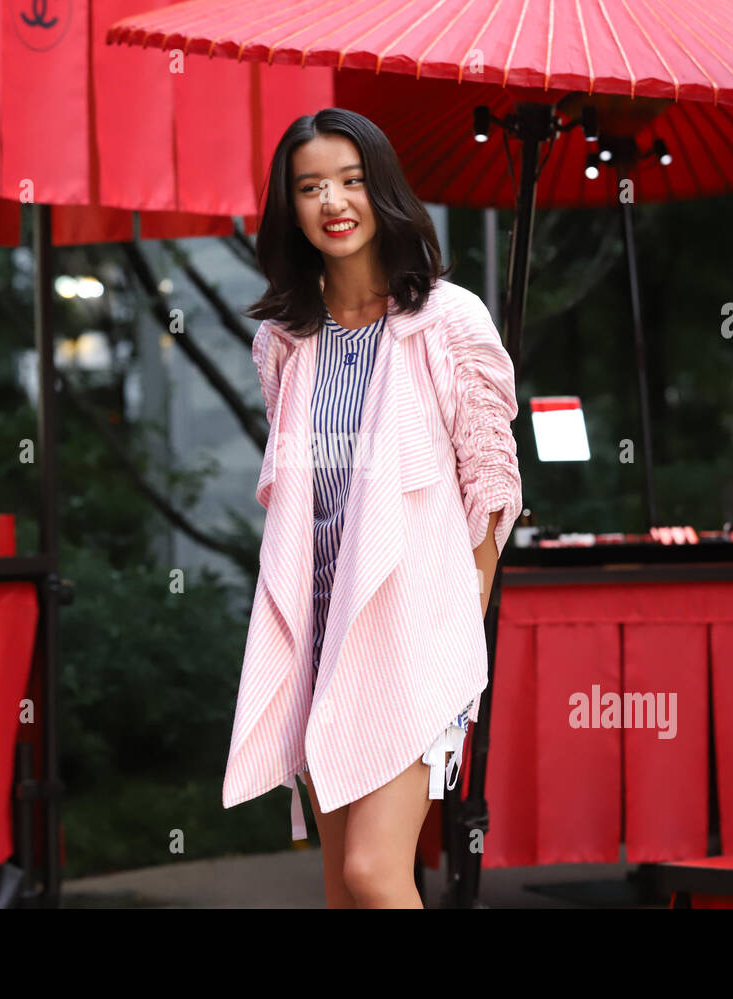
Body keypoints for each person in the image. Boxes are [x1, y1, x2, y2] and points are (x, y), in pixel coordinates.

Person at [223, 108, 523, 908]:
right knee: (338, 887)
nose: (333, 201)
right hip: (321, 633)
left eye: (351, 180)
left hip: (416, 632)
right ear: (290, 208)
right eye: (311, 186)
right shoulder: (283, 343)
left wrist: (467, 607)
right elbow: (302, 500)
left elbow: (492, 482)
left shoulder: (447, 321)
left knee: (373, 871)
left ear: (382, 190)